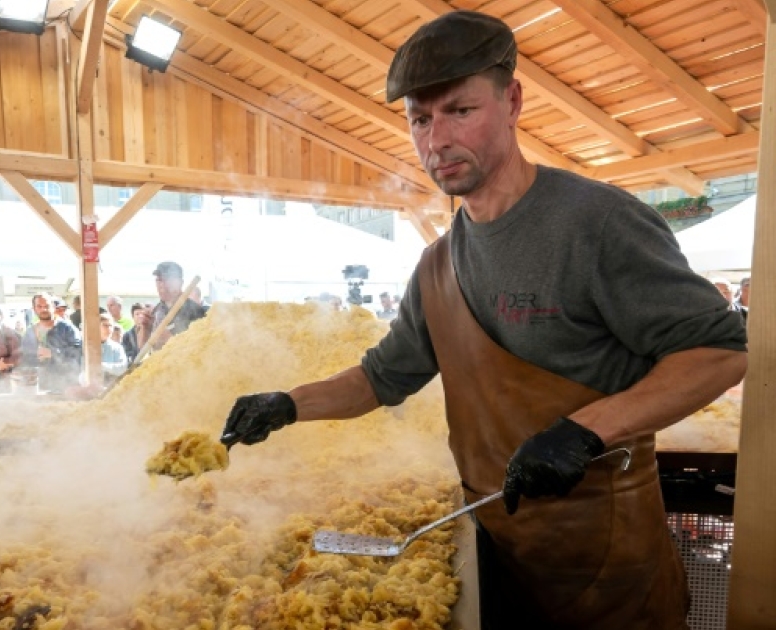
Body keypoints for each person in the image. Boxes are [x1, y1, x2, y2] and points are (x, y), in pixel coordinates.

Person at [217, 12, 747, 630]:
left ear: (513, 101)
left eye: (459, 111)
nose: (436, 140)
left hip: (604, 561)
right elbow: (380, 378)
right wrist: (287, 404)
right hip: (497, 547)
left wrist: (585, 431)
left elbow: (719, 352)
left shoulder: (596, 223)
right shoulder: (438, 265)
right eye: (420, 119)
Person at [20, 294, 82, 393]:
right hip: (39, 388)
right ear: (34, 309)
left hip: (65, 388)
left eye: (47, 306)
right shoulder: (30, 332)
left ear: (53, 307)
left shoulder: (68, 329)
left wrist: (53, 353)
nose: (44, 309)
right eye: (39, 306)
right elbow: (25, 360)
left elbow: (78, 354)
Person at [137, 262, 204, 351]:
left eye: (167, 279)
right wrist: (145, 328)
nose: (162, 285)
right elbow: (143, 349)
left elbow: (202, 348)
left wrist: (172, 340)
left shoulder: (195, 311)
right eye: (159, 280)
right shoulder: (157, 310)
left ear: (180, 283)